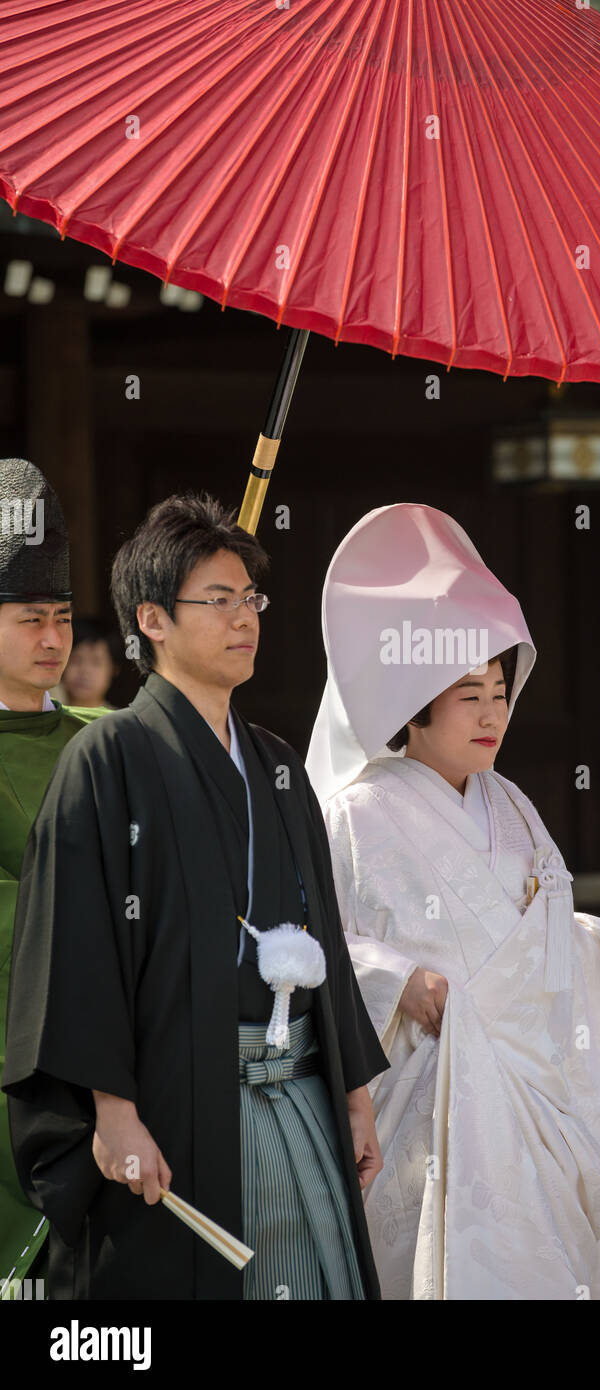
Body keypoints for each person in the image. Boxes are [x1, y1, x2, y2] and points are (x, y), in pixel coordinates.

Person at [305, 502, 600, 1301]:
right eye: (467, 693)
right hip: (426, 1104)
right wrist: (392, 980)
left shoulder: (512, 807)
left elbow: (552, 946)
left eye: (500, 692)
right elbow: (313, 942)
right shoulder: (352, 815)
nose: (492, 714)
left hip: (531, 1096)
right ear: (413, 702)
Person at [2, 494, 387, 1300]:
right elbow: (77, 950)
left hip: (301, 1088)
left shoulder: (277, 765)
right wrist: (110, 1111)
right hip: (172, 1105)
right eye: (217, 600)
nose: (244, 618)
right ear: (152, 619)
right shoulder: (103, 761)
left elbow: (327, 936)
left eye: (251, 598)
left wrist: (353, 1090)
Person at [0, 458, 104, 1298]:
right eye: (30, 618)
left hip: (100, 1069)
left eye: (63, 617)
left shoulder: (105, 742)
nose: (53, 639)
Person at [53, 616, 121, 708]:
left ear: (114, 670)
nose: (84, 670)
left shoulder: (121, 722)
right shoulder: (45, 715)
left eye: (96, 662)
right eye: (76, 660)